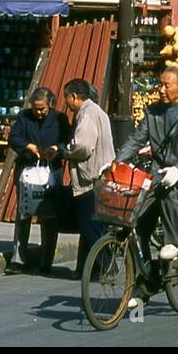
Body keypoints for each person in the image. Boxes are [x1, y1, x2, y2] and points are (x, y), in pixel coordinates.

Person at [115, 67, 178, 265]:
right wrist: (117, 163)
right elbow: (136, 140)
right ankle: (144, 284)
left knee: (168, 189)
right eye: (160, 85)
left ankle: (171, 242)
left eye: (167, 86)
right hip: (156, 176)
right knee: (137, 222)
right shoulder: (152, 112)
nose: (161, 90)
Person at [6, 87, 70, 274]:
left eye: (42, 109)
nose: (39, 112)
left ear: (50, 105)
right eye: (36, 108)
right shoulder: (24, 117)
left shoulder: (59, 118)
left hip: (51, 171)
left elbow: (68, 140)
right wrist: (29, 146)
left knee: (49, 216)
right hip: (28, 169)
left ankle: (46, 260)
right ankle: (18, 259)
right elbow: (14, 138)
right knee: (23, 214)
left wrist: (56, 148)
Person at [60, 79, 116, 281]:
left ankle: (107, 265)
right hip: (99, 177)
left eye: (67, 98)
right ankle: (88, 269)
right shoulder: (95, 112)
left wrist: (65, 151)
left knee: (88, 224)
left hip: (92, 180)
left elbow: (83, 147)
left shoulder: (87, 114)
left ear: (74, 96)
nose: (66, 103)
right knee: (91, 224)